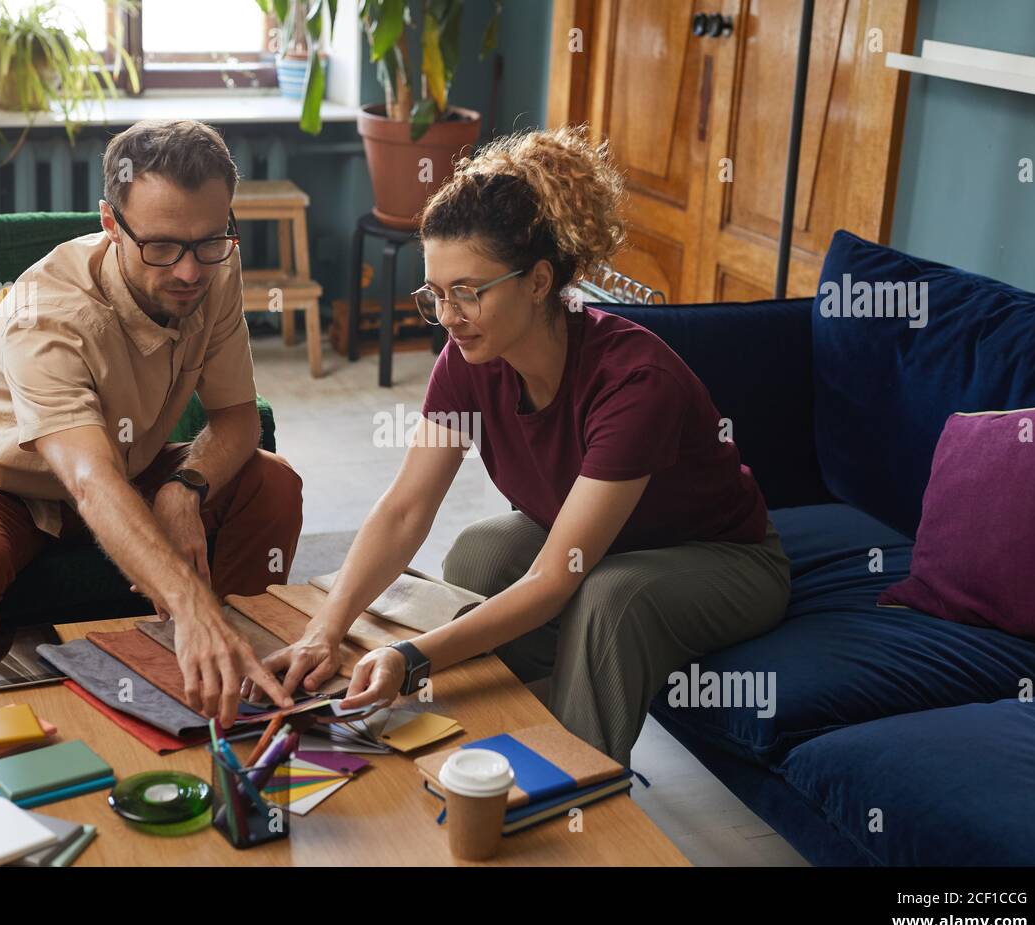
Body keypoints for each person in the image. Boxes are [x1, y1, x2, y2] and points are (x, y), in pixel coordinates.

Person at [246, 127, 791, 766]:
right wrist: (325, 632)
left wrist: (409, 655)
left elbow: (558, 574)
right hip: (601, 544)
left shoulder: (635, 382)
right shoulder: (468, 357)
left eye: (468, 291)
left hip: (722, 560)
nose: (449, 315)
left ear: (537, 282)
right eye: (435, 294)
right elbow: (404, 510)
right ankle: (471, 749)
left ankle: (561, 787)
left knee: (612, 599)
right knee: (481, 552)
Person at [0, 120, 298, 723]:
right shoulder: (49, 315)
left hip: (126, 468)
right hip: (5, 479)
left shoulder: (214, 267)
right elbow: (89, 479)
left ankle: (235, 683)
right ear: (112, 224)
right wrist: (191, 605)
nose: (189, 272)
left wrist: (183, 488)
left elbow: (238, 420)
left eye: (210, 241)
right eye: (161, 247)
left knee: (271, 483)